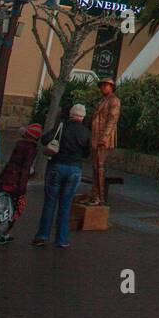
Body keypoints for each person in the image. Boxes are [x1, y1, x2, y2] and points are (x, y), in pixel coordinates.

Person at [33, 103, 91, 248]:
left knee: (50, 203)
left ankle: (42, 236)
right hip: (74, 169)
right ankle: (62, 239)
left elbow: (45, 139)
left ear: (71, 114)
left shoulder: (62, 126)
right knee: (66, 205)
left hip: (57, 165)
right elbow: (87, 153)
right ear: (82, 116)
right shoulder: (86, 132)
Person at [0, 123, 42, 243]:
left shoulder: (19, 145)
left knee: (2, 206)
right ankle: (3, 233)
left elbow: (11, 163)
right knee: (15, 208)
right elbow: (25, 168)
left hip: (6, 179)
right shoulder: (31, 149)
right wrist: (22, 187)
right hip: (16, 183)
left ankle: (1, 232)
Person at [89, 78, 121, 205]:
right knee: (95, 167)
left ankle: (100, 197)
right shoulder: (102, 100)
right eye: (101, 85)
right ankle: (94, 195)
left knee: (99, 167)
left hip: (103, 139)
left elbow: (112, 120)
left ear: (111, 87)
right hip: (96, 137)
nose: (102, 87)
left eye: (105, 85)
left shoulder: (114, 100)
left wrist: (104, 137)